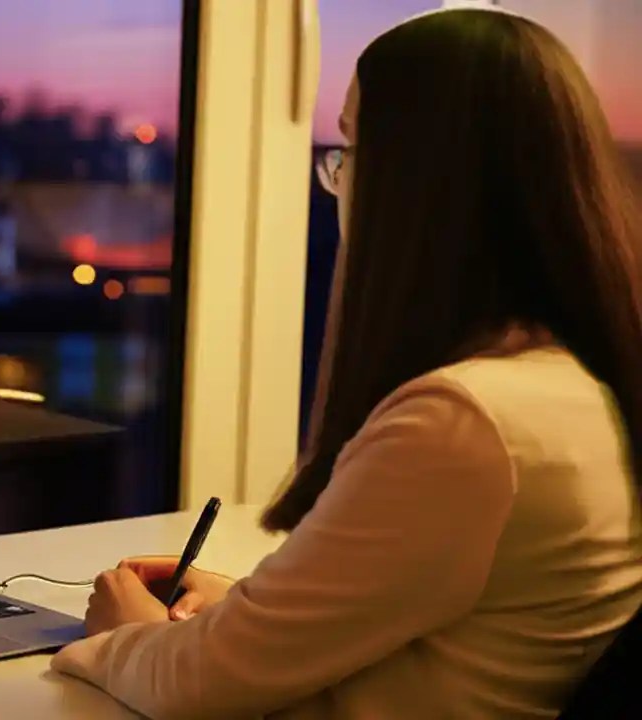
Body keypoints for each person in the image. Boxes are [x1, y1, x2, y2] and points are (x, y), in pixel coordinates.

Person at [51, 7, 642, 719]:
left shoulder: (464, 422)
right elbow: (448, 624)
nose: (337, 178)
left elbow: (194, 688)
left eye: (350, 148)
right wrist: (249, 610)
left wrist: (126, 632)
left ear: (416, 185)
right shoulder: (573, 383)